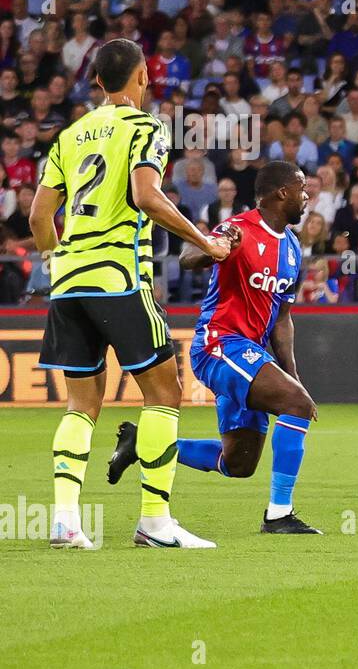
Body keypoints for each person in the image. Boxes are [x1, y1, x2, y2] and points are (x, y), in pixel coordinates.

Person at [30, 38, 231, 550]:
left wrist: (57, 259)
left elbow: (37, 217)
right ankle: (155, 522)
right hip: (119, 277)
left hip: (68, 281)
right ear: (142, 76)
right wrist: (204, 240)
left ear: (97, 80)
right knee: (165, 394)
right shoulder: (146, 128)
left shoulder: (70, 135)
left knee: (81, 405)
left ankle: (66, 523)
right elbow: (146, 195)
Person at [109, 162, 320, 534]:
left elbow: (283, 317)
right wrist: (213, 250)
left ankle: (143, 442)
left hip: (253, 354)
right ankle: (279, 515)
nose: (307, 195)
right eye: (302, 187)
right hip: (219, 344)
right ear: (282, 192)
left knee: (237, 463)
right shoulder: (238, 228)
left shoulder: (291, 247)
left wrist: (292, 373)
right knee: (297, 405)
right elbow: (188, 257)